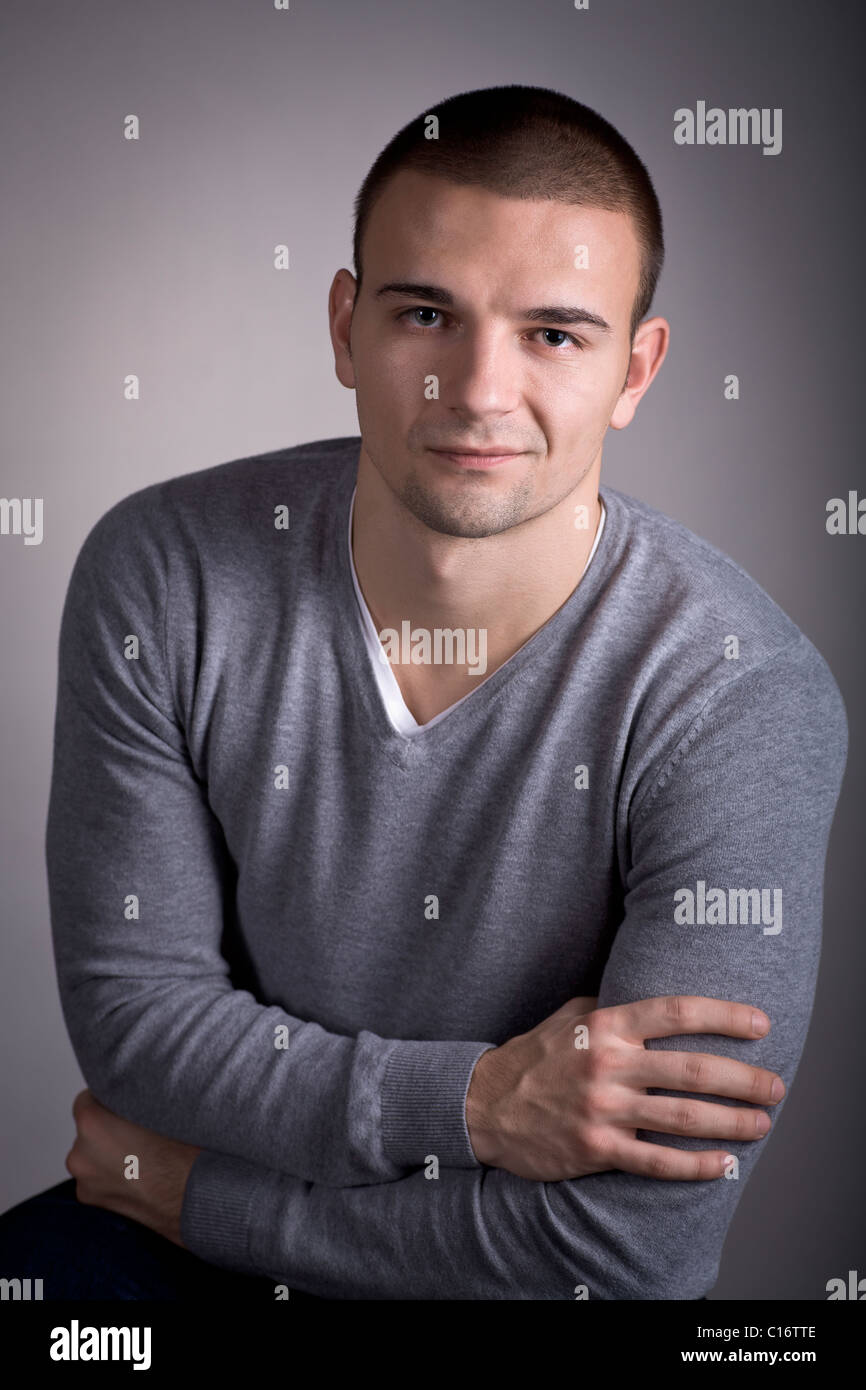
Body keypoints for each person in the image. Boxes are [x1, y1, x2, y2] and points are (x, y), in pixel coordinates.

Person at [0, 84, 847, 1301]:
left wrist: (208, 1202)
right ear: (345, 326)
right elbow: (137, 1024)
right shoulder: (166, 570)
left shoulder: (736, 693)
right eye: (425, 314)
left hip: (472, 1263)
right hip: (174, 1242)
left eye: (553, 333)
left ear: (635, 368)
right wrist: (474, 1102)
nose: (478, 389)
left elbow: (634, 1250)